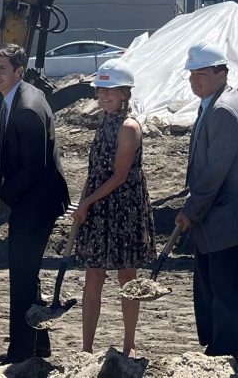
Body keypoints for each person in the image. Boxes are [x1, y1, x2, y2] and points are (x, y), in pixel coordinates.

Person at [178, 41, 238, 363]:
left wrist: (190, 211)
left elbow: (214, 173)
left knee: (226, 294)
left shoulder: (224, 111)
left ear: (221, 73)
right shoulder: (213, 104)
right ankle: (215, 348)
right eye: (192, 73)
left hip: (232, 221)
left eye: (202, 73)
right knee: (211, 288)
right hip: (219, 216)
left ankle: (225, 356)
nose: (195, 79)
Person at [0, 43, 69, 364]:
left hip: (38, 203)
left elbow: (33, 167)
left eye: (2, 69)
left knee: (21, 275)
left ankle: (21, 353)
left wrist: (0, 197)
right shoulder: (14, 97)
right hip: (29, 199)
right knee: (26, 273)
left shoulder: (27, 108)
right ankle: (39, 344)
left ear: (19, 71)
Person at [73, 58, 155, 356]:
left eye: (110, 90)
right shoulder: (105, 121)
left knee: (126, 274)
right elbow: (96, 168)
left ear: (125, 93)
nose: (103, 96)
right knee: (93, 274)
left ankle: (129, 344)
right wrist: (88, 202)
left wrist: (86, 202)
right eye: (100, 91)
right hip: (99, 206)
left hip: (123, 208)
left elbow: (120, 176)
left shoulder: (129, 127)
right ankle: (86, 348)